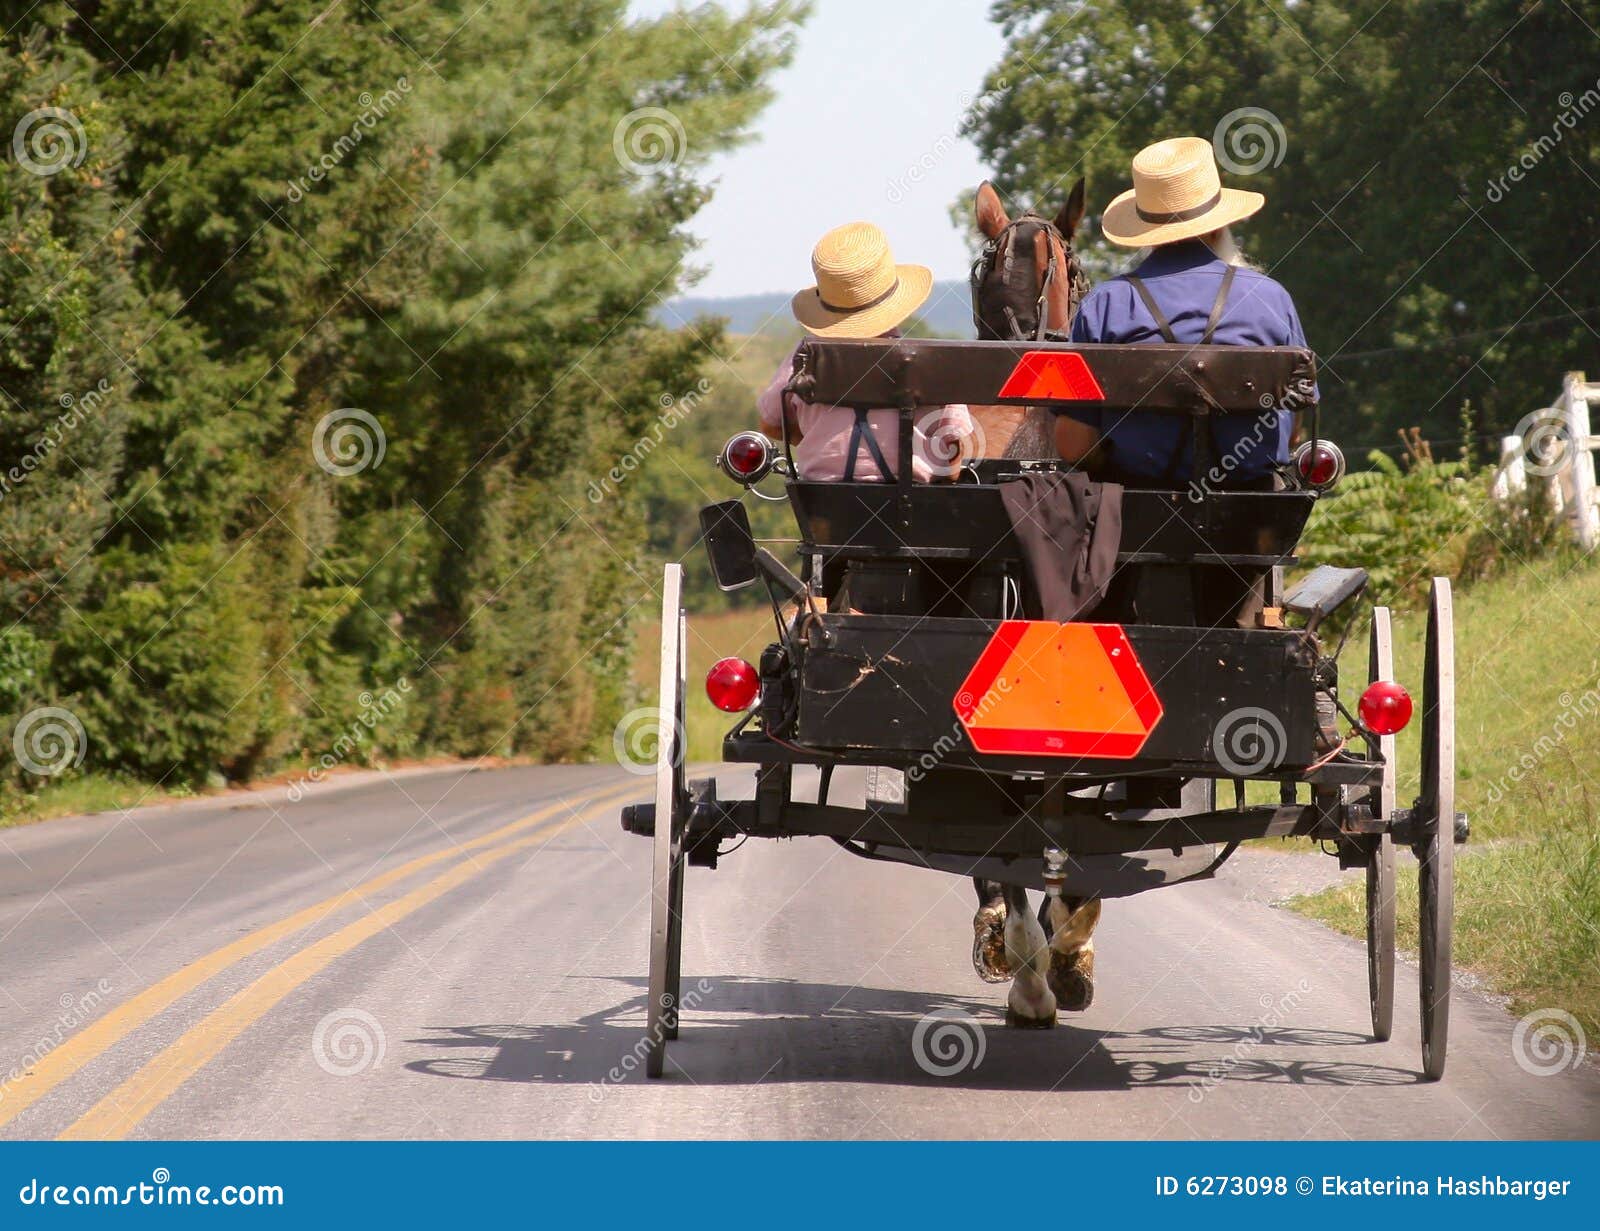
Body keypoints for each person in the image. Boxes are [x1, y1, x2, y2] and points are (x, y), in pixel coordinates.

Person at [1054, 135, 1314, 628]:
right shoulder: (1271, 299)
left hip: (1133, 521)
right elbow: (1293, 428)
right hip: (1244, 519)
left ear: (1146, 229)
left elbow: (1072, 442)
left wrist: (1123, 454)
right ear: (1222, 225)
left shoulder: (1105, 307)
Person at [757, 222, 972, 482]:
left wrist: (820, 437)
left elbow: (770, 423)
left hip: (824, 506)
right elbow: (953, 452)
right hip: (916, 505)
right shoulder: (930, 361)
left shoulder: (805, 357)